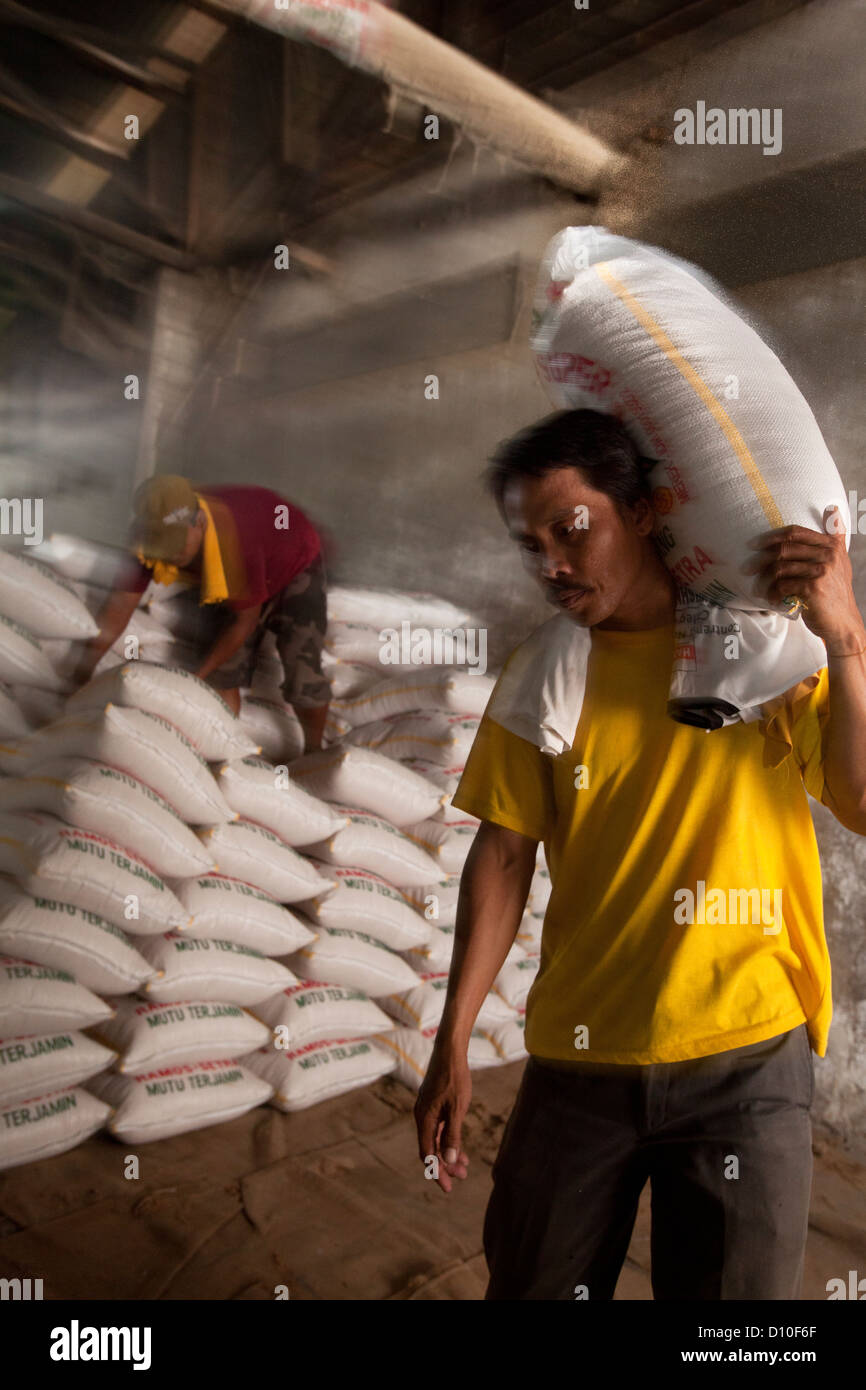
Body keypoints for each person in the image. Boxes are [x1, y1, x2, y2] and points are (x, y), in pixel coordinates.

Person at [413, 408, 866, 1301]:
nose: (550, 565)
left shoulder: (766, 650)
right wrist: (453, 1040)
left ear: (648, 510)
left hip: (745, 1055)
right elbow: (503, 856)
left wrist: (846, 641)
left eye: (572, 529)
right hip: (579, 1062)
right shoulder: (543, 672)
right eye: (530, 542)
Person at [75, 475, 331, 753]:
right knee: (222, 674)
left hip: (293, 559)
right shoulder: (147, 538)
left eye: (176, 543)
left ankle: (314, 753)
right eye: (162, 544)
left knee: (302, 668)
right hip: (240, 571)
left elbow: (244, 621)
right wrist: (83, 670)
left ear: (199, 522)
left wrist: (193, 678)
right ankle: (219, 751)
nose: (170, 553)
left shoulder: (235, 539)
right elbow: (121, 604)